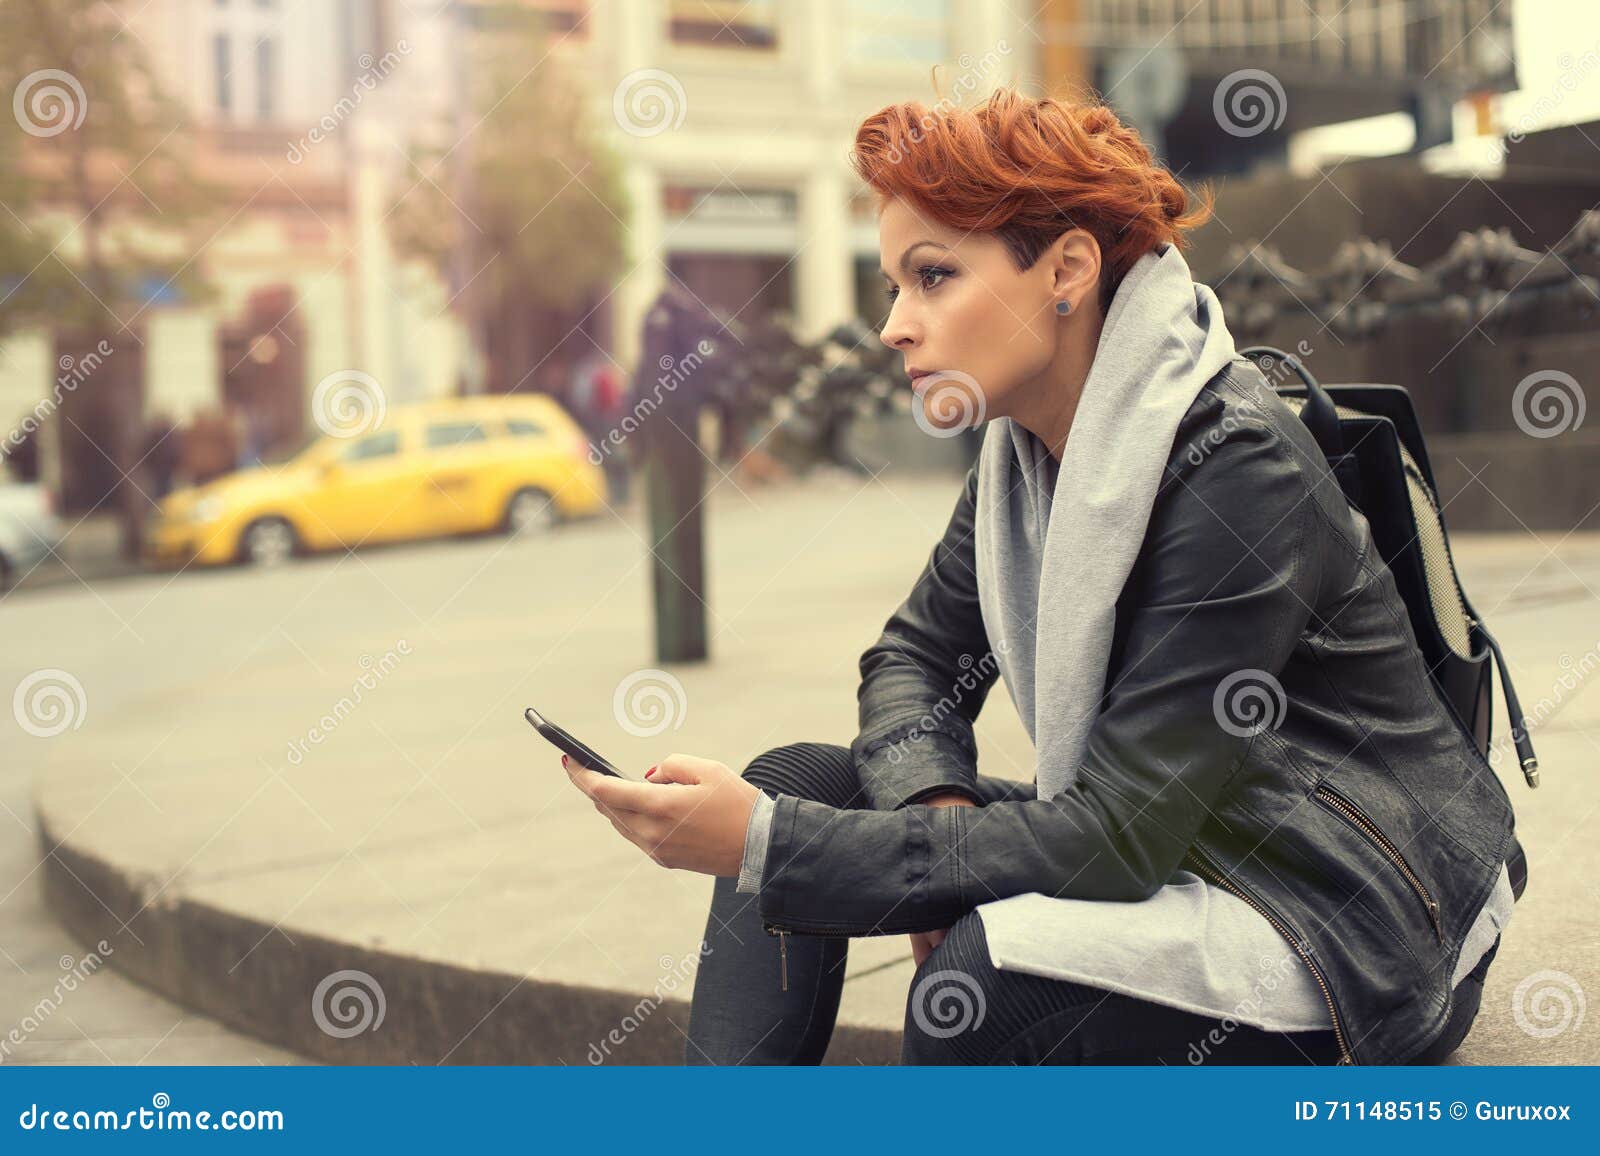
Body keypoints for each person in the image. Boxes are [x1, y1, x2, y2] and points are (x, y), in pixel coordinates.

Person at [560, 89, 1516, 1066]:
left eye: (932, 277)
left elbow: (1119, 838)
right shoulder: (1025, 450)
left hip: (1338, 903)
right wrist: (932, 801)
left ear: (1065, 270)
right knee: (797, 781)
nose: (894, 324)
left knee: (978, 980)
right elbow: (912, 655)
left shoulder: (1233, 467)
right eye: (894, 284)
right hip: (1188, 840)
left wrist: (773, 844)